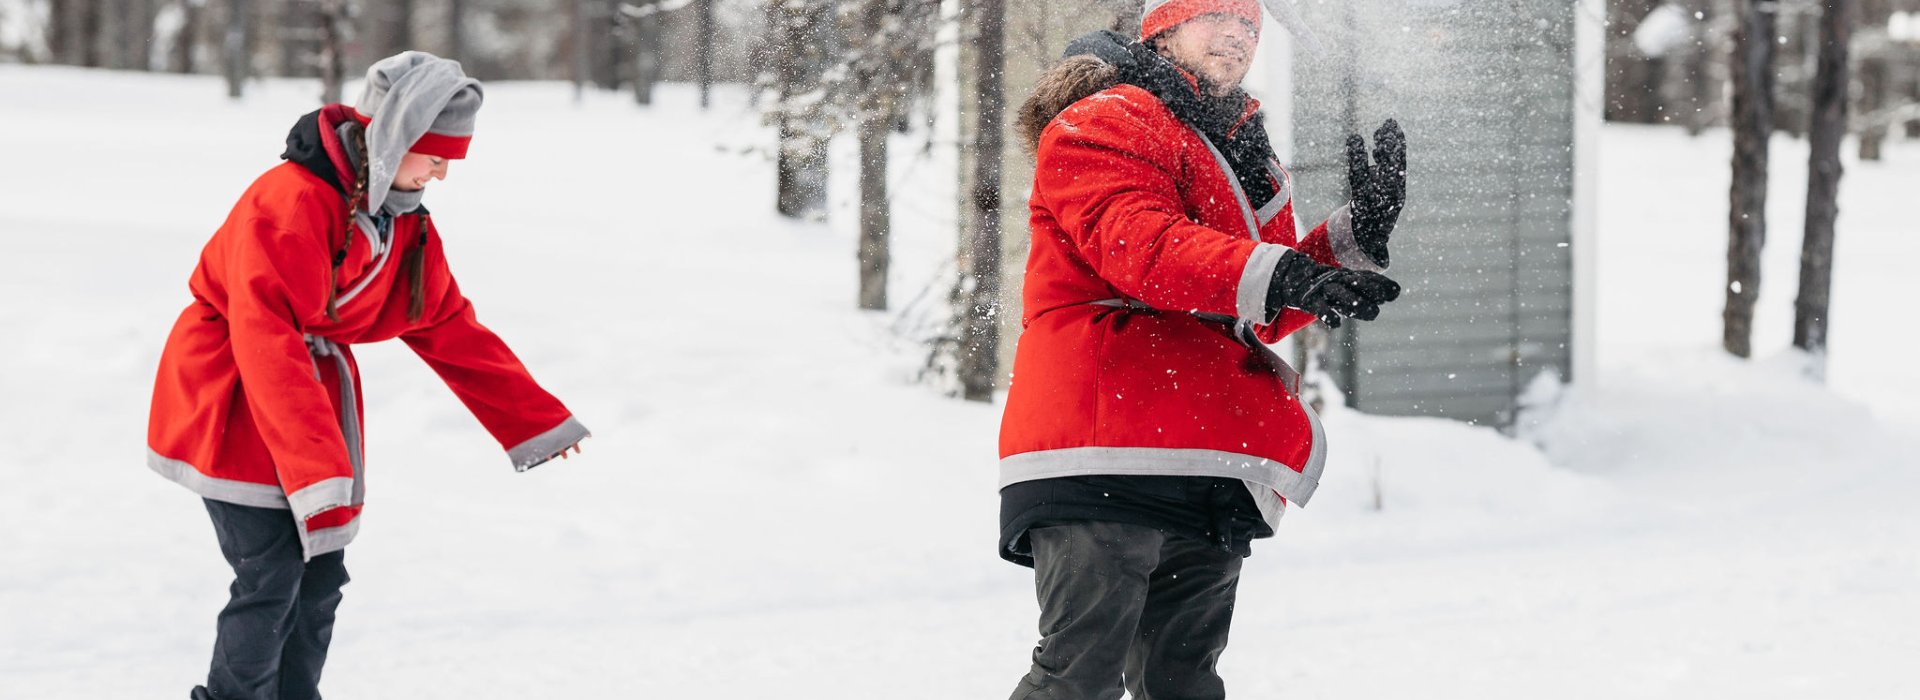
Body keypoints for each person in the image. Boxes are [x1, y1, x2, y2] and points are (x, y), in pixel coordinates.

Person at [146, 52, 590, 700]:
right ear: (398, 134)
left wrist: (536, 421)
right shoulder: (291, 200)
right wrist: (316, 470)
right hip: (236, 394)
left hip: (309, 403)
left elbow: (446, 324)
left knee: (322, 578)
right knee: (270, 573)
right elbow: (266, 337)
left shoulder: (402, 217)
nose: (442, 171)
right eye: (436, 154)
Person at [998, 1, 1408, 698]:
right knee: (1080, 675)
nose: (1236, 35)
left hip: (1205, 447)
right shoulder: (1105, 116)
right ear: (1160, 29)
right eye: (1211, 16)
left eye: (1249, 24)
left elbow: (1251, 307)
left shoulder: (1240, 146)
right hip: (1107, 439)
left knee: (1182, 680)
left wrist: (1345, 243)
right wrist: (1282, 273)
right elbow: (1143, 249)